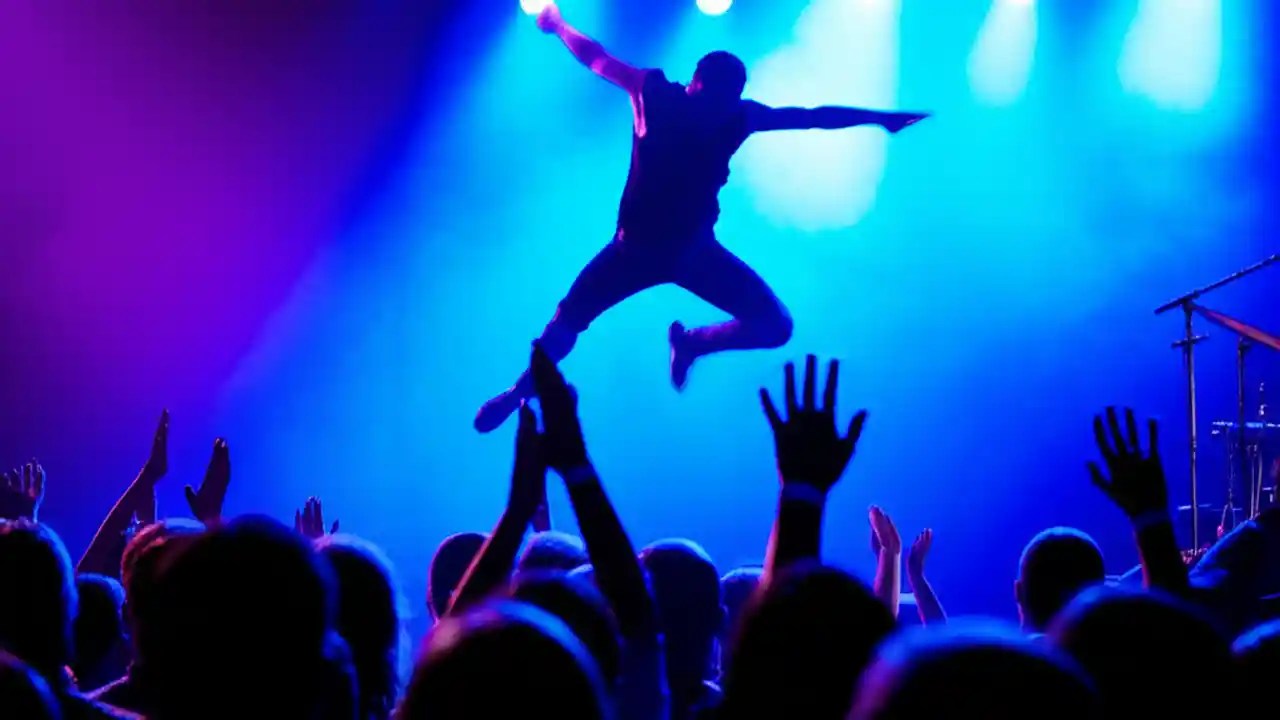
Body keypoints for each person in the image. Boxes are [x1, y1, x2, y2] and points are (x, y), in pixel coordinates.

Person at [474, 3, 928, 432]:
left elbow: (811, 117)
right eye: (715, 101)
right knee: (564, 325)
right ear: (695, 84)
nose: (719, 113)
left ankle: (692, 342)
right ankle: (518, 392)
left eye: (728, 104)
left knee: (776, 326)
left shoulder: (738, 116)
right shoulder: (653, 92)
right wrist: (559, 27)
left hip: (694, 254)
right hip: (631, 250)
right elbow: (598, 59)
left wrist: (878, 118)